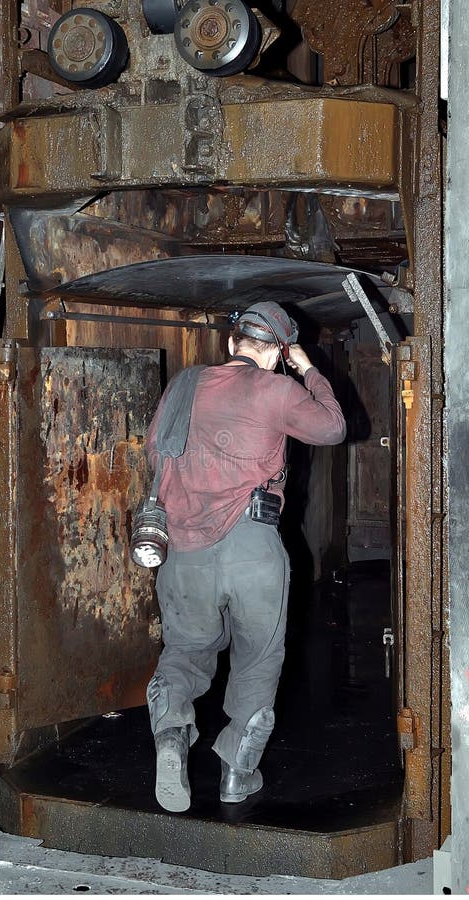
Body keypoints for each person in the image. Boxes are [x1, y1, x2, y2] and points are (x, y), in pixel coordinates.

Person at [144, 300, 346, 812]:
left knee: (185, 650)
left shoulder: (185, 385)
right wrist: (308, 370)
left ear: (231, 342)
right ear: (276, 354)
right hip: (253, 548)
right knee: (258, 657)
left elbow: (154, 451)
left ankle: (171, 736)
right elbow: (332, 427)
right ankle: (237, 774)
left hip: (184, 549)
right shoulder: (276, 389)